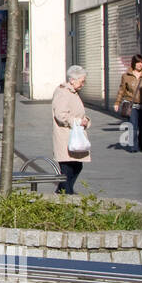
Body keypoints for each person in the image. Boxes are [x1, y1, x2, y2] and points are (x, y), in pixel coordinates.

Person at [52, 65, 92, 194]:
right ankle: (65, 194)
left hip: (74, 136)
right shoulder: (63, 92)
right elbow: (61, 115)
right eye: (82, 81)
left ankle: (62, 192)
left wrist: (85, 120)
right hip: (66, 138)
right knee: (67, 169)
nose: (83, 84)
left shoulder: (72, 92)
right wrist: (78, 121)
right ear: (72, 80)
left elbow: (76, 112)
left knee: (76, 166)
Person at [114, 54, 142, 154]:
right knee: (132, 126)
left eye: (141, 62)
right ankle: (133, 146)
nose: (140, 64)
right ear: (133, 63)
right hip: (131, 105)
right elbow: (122, 90)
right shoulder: (126, 76)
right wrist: (117, 103)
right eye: (138, 62)